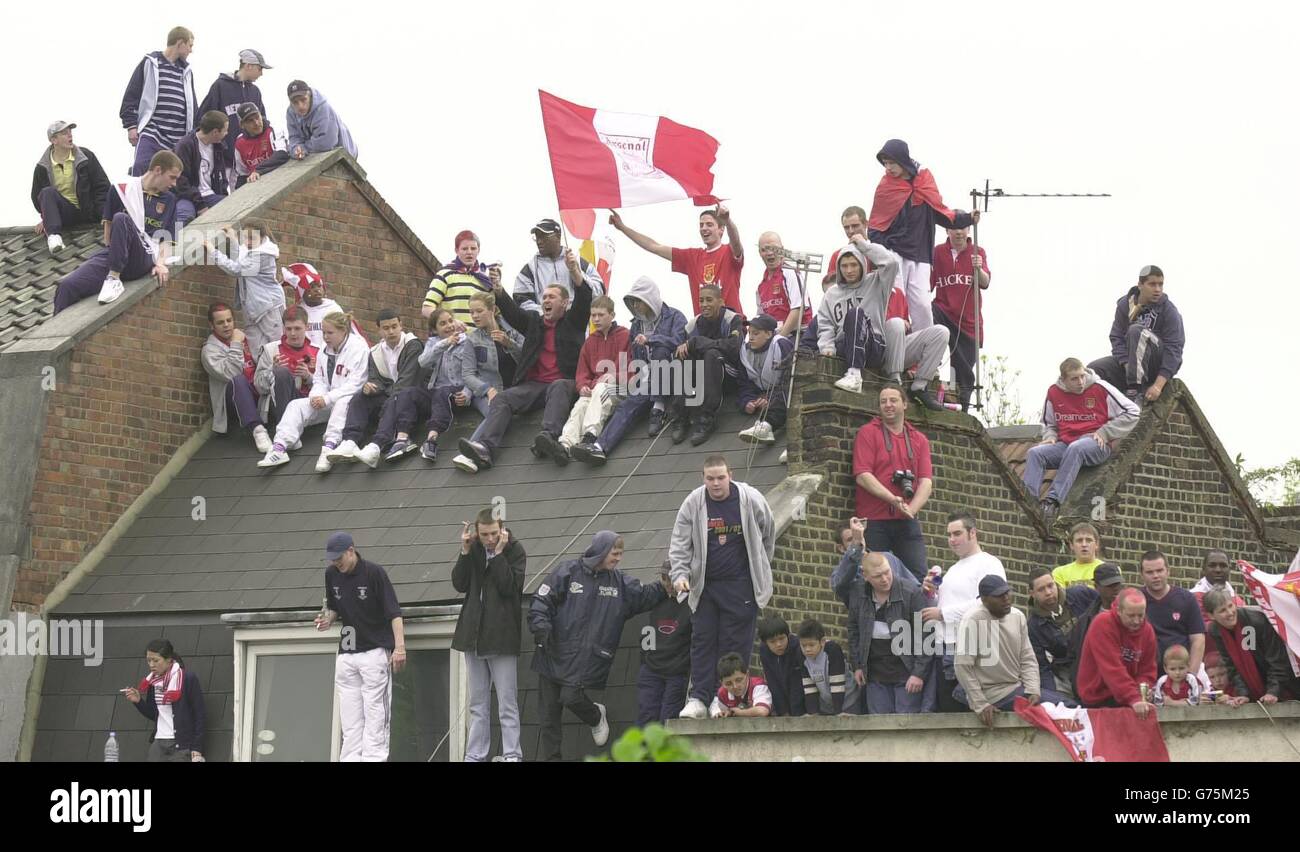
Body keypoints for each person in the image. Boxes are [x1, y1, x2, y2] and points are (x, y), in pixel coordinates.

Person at [529, 531, 667, 760]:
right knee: (548, 717)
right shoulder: (568, 571)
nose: (618, 558)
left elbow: (645, 595)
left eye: (621, 554)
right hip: (551, 652)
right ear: (601, 551)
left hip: (583, 659)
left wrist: (669, 583)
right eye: (615, 553)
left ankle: (595, 716)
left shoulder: (620, 583)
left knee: (571, 697)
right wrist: (541, 628)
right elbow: (541, 601)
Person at [457, 272, 593, 473]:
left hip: (564, 383)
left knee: (558, 385)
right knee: (502, 398)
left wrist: (574, 271)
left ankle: (548, 437)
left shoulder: (574, 322)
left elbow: (584, 299)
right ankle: (485, 448)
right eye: (544, 297)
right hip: (535, 385)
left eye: (552, 297)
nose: (546, 300)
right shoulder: (534, 323)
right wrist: (498, 288)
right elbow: (513, 313)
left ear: (564, 303)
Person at [673, 455, 776, 719]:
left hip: (740, 585)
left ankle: (723, 700)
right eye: (710, 478)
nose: (716, 483)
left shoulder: (750, 499)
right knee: (702, 642)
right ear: (703, 478)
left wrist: (759, 567)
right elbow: (680, 543)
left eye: (721, 477)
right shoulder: (693, 503)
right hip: (705, 586)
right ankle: (698, 698)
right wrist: (680, 575)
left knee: (733, 647)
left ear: (731, 474)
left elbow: (767, 533)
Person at [314, 532, 406, 762]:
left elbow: (394, 613)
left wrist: (400, 648)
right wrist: (327, 619)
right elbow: (334, 608)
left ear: (351, 550)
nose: (336, 563)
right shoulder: (331, 574)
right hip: (346, 652)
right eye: (332, 559)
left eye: (339, 558)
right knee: (350, 721)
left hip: (374, 651)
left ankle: (374, 758)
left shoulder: (373, 573)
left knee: (376, 716)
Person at [867, 139, 976, 330]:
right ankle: (895, 349)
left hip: (920, 255)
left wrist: (967, 218)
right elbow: (875, 228)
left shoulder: (924, 182)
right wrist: (884, 253)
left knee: (923, 306)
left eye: (891, 162)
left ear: (902, 160)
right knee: (896, 303)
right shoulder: (886, 186)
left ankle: (922, 352)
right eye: (885, 163)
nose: (888, 167)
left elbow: (941, 213)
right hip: (895, 253)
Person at [53, 151, 180, 312]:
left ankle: (114, 278)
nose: (174, 184)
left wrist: (161, 264)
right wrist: (116, 252)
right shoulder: (120, 189)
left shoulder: (169, 200)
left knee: (122, 218)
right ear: (157, 170)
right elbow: (108, 232)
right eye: (172, 177)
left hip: (144, 257)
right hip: (116, 255)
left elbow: (166, 240)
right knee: (67, 285)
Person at [1023, 358, 1139, 520]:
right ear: (1064, 380)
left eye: (1082, 376)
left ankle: (1052, 502)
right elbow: (1049, 423)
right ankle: (1028, 502)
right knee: (1035, 453)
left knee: (1076, 448)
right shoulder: (1054, 392)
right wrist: (1050, 436)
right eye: (1074, 378)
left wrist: (1106, 432)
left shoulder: (1100, 387)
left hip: (1097, 444)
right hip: (1065, 443)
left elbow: (1133, 412)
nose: (1080, 382)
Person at [453, 508, 526, 762]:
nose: (489, 539)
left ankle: (512, 754)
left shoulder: (515, 550)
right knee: (478, 703)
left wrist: (497, 555)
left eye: (494, 533)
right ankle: (475, 754)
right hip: (474, 633)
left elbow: (510, 588)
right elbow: (459, 584)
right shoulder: (473, 549)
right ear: (476, 531)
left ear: (502, 529)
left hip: (502, 635)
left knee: (507, 702)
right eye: (484, 534)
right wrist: (464, 552)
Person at [258, 312, 369, 472]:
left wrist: (327, 398)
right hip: (326, 399)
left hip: (348, 402)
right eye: (323, 332)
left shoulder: (359, 348)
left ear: (343, 331)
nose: (325, 337)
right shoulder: (325, 348)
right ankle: (279, 448)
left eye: (329, 333)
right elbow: (319, 379)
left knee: (342, 403)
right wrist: (315, 396)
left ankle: (328, 449)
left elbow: (356, 384)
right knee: (295, 406)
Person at [922, 512, 1008, 711]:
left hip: (972, 647)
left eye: (957, 533)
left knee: (967, 708)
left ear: (973, 533)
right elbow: (943, 605)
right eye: (949, 535)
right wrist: (930, 594)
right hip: (945, 647)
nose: (952, 540)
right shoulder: (952, 569)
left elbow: (988, 604)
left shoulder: (989, 563)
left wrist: (943, 613)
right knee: (948, 709)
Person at [955, 575, 1066, 725]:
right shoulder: (973, 620)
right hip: (992, 695)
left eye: (1007, 593)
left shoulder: (1017, 616)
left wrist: (1033, 689)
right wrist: (980, 704)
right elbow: (962, 666)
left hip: (1016, 688)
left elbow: (1027, 657)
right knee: (1065, 706)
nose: (1006, 599)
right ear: (984, 600)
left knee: (1066, 706)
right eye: (999, 596)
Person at [852, 384, 935, 580]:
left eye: (893, 400)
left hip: (906, 520)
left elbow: (926, 482)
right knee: (875, 576)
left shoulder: (919, 439)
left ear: (905, 404)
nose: (888, 405)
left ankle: (915, 613)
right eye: (883, 401)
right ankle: (879, 612)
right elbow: (863, 475)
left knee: (918, 578)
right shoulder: (868, 433)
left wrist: (911, 509)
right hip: (875, 521)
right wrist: (892, 499)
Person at [328, 310, 426, 466]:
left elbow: (407, 381)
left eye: (394, 326)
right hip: (392, 397)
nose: (391, 331)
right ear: (379, 330)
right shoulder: (375, 352)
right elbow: (377, 379)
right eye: (386, 328)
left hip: (414, 398)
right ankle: (350, 441)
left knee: (398, 395)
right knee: (360, 396)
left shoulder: (413, 345)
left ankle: (376, 445)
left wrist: (386, 400)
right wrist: (371, 387)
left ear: (401, 325)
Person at [610, 206, 744, 316]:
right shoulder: (692, 256)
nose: (704, 228)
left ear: (721, 229)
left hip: (730, 329)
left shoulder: (728, 252)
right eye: (701, 225)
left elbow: (736, 243)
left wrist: (728, 220)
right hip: (704, 331)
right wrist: (622, 227)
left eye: (709, 224)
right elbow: (654, 247)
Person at [447, 291, 524, 468]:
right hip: (484, 393)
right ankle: (472, 452)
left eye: (479, 311)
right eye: (471, 312)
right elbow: (467, 374)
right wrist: (487, 389)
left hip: (512, 391)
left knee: (501, 409)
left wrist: (509, 345)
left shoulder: (512, 332)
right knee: (495, 411)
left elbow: (528, 360)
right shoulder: (472, 339)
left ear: (493, 310)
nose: (474, 316)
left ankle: (473, 455)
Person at [1088, 265, 1185, 405]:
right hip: (1129, 364)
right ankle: (1102, 409)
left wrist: (1158, 385)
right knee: (1094, 370)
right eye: (1152, 284)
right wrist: (1127, 365)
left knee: (1136, 331)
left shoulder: (1169, 311)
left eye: (1160, 284)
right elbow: (1116, 337)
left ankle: (1135, 392)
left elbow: (1174, 350)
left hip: (1155, 365)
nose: (1157, 289)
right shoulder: (1125, 305)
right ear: (1140, 285)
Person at [851, 552, 930, 714]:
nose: (885, 579)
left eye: (887, 572)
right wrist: (857, 666)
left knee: (906, 726)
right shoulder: (859, 594)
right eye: (878, 576)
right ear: (865, 576)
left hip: (906, 671)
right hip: (874, 675)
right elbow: (854, 631)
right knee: (880, 728)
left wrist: (918, 673)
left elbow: (926, 635)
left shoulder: (911, 593)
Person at [665, 284, 744, 447]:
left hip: (728, 374)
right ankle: (681, 416)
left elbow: (734, 347)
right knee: (681, 358)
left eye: (709, 300)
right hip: (702, 376)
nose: (704, 304)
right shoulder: (693, 325)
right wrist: (684, 348)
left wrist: (702, 343)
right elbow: (685, 348)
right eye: (701, 300)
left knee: (711, 354)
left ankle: (707, 417)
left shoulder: (732, 319)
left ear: (721, 301)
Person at [121, 27, 199, 176]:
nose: (191, 50)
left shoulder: (186, 72)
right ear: (180, 43)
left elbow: (193, 106)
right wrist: (130, 125)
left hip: (178, 137)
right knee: (141, 168)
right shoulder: (150, 63)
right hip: (153, 131)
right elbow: (131, 95)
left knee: (171, 177)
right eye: (190, 45)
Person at [563, 295, 631, 464]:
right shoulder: (590, 342)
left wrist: (613, 376)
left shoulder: (626, 336)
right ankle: (565, 444)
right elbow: (582, 373)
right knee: (582, 403)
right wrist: (583, 386)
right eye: (593, 315)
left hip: (623, 389)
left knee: (601, 389)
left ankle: (590, 437)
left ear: (612, 315)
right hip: (597, 391)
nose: (596, 319)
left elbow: (633, 370)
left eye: (601, 315)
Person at [930, 226, 990, 411]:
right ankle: (931, 372)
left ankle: (959, 409)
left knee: (962, 372)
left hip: (968, 322)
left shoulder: (978, 251)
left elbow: (985, 282)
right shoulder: (938, 252)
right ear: (947, 231)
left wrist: (978, 268)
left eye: (962, 228)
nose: (958, 233)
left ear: (969, 230)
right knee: (928, 315)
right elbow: (927, 284)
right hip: (943, 310)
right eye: (954, 228)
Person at [1205, 587, 1299, 704]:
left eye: (1230, 606)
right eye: (1222, 610)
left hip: (1287, 687)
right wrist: (1243, 694)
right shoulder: (1215, 631)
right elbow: (1232, 666)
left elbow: (1277, 660)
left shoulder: (1257, 621)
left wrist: (1273, 691)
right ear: (1211, 616)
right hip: (1256, 691)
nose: (1230, 613)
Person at [1075, 588, 1159, 718]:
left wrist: (1143, 690)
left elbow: (1147, 670)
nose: (1137, 621)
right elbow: (1112, 669)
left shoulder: (1147, 631)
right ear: (1119, 611)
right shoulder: (1102, 624)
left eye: (1141, 615)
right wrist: (1133, 698)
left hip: (1128, 697)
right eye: (1131, 616)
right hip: (1098, 698)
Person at [203, 221, 283, 356]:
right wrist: (233, 239)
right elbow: (240, 258)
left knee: (276, 348)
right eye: (246, 237)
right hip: (251, 309)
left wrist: (212, 251)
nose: (248, 241)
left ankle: (279, 376)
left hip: (268, 308)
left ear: (262, 238)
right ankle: (261, 377)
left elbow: (235, 269)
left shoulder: (263, 254)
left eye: (252, 238)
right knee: (257, 352)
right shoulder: (250, 249)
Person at [32, 121, 111, 255]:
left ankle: (53, 226)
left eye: (70, 132)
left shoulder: (86, 157)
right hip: (64, 215)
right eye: (64, 133)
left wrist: (104, 215)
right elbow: (37, 197)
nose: (70, 136)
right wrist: (47, 217)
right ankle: (54, 237)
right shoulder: (42, 167)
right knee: (47, 192)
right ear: (53, 140)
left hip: (88, 213)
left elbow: (102, 187)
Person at [121, 639, 205, 762]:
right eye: (148, 660)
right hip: (158, 744)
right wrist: (138, 701)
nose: (151, 665)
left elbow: (199, 714)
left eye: (156, 660)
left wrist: (197, 748)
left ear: (169, 659)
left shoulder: (187, 679)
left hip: (181, 746)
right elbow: (153, 714)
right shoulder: (152, 682)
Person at [1026, 566, 1097, 699]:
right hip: (1067, 671)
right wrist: (1052, 698)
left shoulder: (1079, 594)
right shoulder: (1033, 626)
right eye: (1041, 589)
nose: (1048, 592)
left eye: (1050, 586)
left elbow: (1103, 603)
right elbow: (1041, 666)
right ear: (1032, 593)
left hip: (1096, 657)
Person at [636, 561, 694, 725]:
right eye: (663, 578)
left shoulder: (693, 603)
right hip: (651, 670)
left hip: (676, 673)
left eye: (670, 578)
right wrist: (645, 662)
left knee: (668, 720)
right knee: (646, 716)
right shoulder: (655, 598)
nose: (667, 583)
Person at [202, 302, 265, 447]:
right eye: (220, 322)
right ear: (212, 326)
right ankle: (258, 430)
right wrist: (236, 343)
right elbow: (232, 373)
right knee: (238, 380)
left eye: (229, 320)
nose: (226, 325)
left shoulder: (246, 337)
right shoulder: (209, 351)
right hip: (233, 402)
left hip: (258, 391)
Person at [251, 305, 318, 438]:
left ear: (307, 327)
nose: (293, 333)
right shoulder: (270, 350)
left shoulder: (319, 351)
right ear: (284, 328)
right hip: (277, 406)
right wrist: (272, 372)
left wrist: (309, 377)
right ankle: (285, 433)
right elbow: (259, 388)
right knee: (281, 372)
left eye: (297, 328)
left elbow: (329, 387)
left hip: (307, 405)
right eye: (288, 329)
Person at [197, 49, 271, 167]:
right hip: (222, 159)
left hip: (250, 160)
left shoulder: (255, 92)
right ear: (248, 66)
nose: (261, 73)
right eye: (260, 68)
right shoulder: (220, 86)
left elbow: (263, 122)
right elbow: (203, 119)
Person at [512, 218, 604, 314]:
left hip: (576, 325)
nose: (539, 241)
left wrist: (576, 273)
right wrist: (547, 313)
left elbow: (600, 293)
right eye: (537, 237)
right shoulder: (530, 269)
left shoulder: (578, 262)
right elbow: (520, 301)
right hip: (544, 326)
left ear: (558, 236)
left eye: (544, 236)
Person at [1140, 550, 1206, 680]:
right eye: (1149, 572)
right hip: (1146, 675)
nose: (1155, 576)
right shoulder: (1136, 600)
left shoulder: (1187, 599)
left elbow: (1198, 639)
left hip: (1179, 675)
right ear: (1141, 575)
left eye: (1159, 570)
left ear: (1168, 571)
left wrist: (1191, 677)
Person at [1064, 562, 1125, 688]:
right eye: (1109, 585)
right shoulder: (1085, 622)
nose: (1115, 588)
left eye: (1118, 584)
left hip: (1123, 682)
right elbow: (1074, 655)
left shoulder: (1132, 615)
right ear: (1096, 587)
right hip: (1094, 686)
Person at [736, 314, 793, 445]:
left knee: (789, 391)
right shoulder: (744, 351)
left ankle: (765, 427)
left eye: (755, 333)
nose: (750, 337)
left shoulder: (780, 344)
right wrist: (747, 401)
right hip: (762, 394)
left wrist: (769, 398)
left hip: (784, 392)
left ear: (768, 334)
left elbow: (790, 380)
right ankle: (763, 427)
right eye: (749, 333)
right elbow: (744, 383)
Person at [280, 262, 365, 349]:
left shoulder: (332, 308)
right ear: (302, 292)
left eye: (319, 286)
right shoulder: (298, 311)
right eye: (312, 287)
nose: (317, 290)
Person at [422, 230, 497, 324]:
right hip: (453, 336)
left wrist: (497, 286)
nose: (469, 252)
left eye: (473, 248)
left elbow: (493, 314)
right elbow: (427, 308)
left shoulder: (485, 281)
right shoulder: (445, 274)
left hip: (479, 338)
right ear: (456, 251)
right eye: (465, 249)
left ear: (479, 250)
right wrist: (450, 322)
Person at [173, 110, 231, 227]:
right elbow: (181, 181)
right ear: (215, 132)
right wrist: (200, 206)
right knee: (182, 218)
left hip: (211, 195)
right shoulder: (185, 145)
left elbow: (222, 178)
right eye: (225, 130)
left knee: (235, 207)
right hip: (188, 197)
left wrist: (225, 198)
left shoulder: (218, 147)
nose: (227, 133)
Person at [755, 231, 812, 340]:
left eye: (774, 248)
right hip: (774, 337)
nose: (770, 253)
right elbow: (761, 318)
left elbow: (798, 309)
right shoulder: (761, 286)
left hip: (797, 335)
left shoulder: (790, 273)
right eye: (764, 250)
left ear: (782, 249)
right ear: (760, 253)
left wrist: (779, 338)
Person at [796, 619, 859, 715]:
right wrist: (813, 713)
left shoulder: (832, 650)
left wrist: (839, 712)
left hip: (848, 700)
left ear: (822, 642)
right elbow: (809, 686)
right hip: (826, 704)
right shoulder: (801, 654)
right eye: (803, 645)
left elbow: (837, 684)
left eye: (811, 645)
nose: (807, 649)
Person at [286, 79, 358, 160]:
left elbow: (326, 143)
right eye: (295, 102)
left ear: (309, 94)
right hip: (317, 156)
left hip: (346, 155)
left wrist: (303, 148)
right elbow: (294, 138)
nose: (300, 106)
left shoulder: (323, 108)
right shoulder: (290, 113)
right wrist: (296, 150)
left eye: (303, 99)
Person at [757, 616, 805, 717]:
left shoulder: (797, 647)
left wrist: (796, 715)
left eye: (782, 639)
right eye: (773, 641)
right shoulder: (764, 651)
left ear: (788, 635)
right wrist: (783, 713)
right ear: (765, 642)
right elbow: (772, 681)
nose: (779, 644)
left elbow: (797, 683)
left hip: (803, 702)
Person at [232, 102, 288, 187]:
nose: (256, 123)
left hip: (279, 179)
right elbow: (242, 174)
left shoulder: (273, 129)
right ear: (242, 125)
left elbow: (282, 154)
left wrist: (258, 171)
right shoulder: (239, 143)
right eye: (251, 121)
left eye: (257, 117)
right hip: (256, 185)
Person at [709, 653, 772, 718]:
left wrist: (740, 713)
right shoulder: (722, 693)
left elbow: (762, 711)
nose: (735, 686)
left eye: (739, 680)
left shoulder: (758, 685)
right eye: (728, 683)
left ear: (747, 675)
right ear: (722, 683)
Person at [1192, 549, 1247, 622]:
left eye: (1223, 566)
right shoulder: (1193, 598)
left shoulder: (1236, 598)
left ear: (1229, 569)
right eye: (1212, 565)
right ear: (1203, 569)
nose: (1218, 570)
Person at [1051, 522, 1104, 589]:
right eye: (1079, 540)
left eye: (1088, 540)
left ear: (1097, 544)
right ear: (1071, 545)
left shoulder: (1108, 570)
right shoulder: (1059, 573)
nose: (1084, 544)